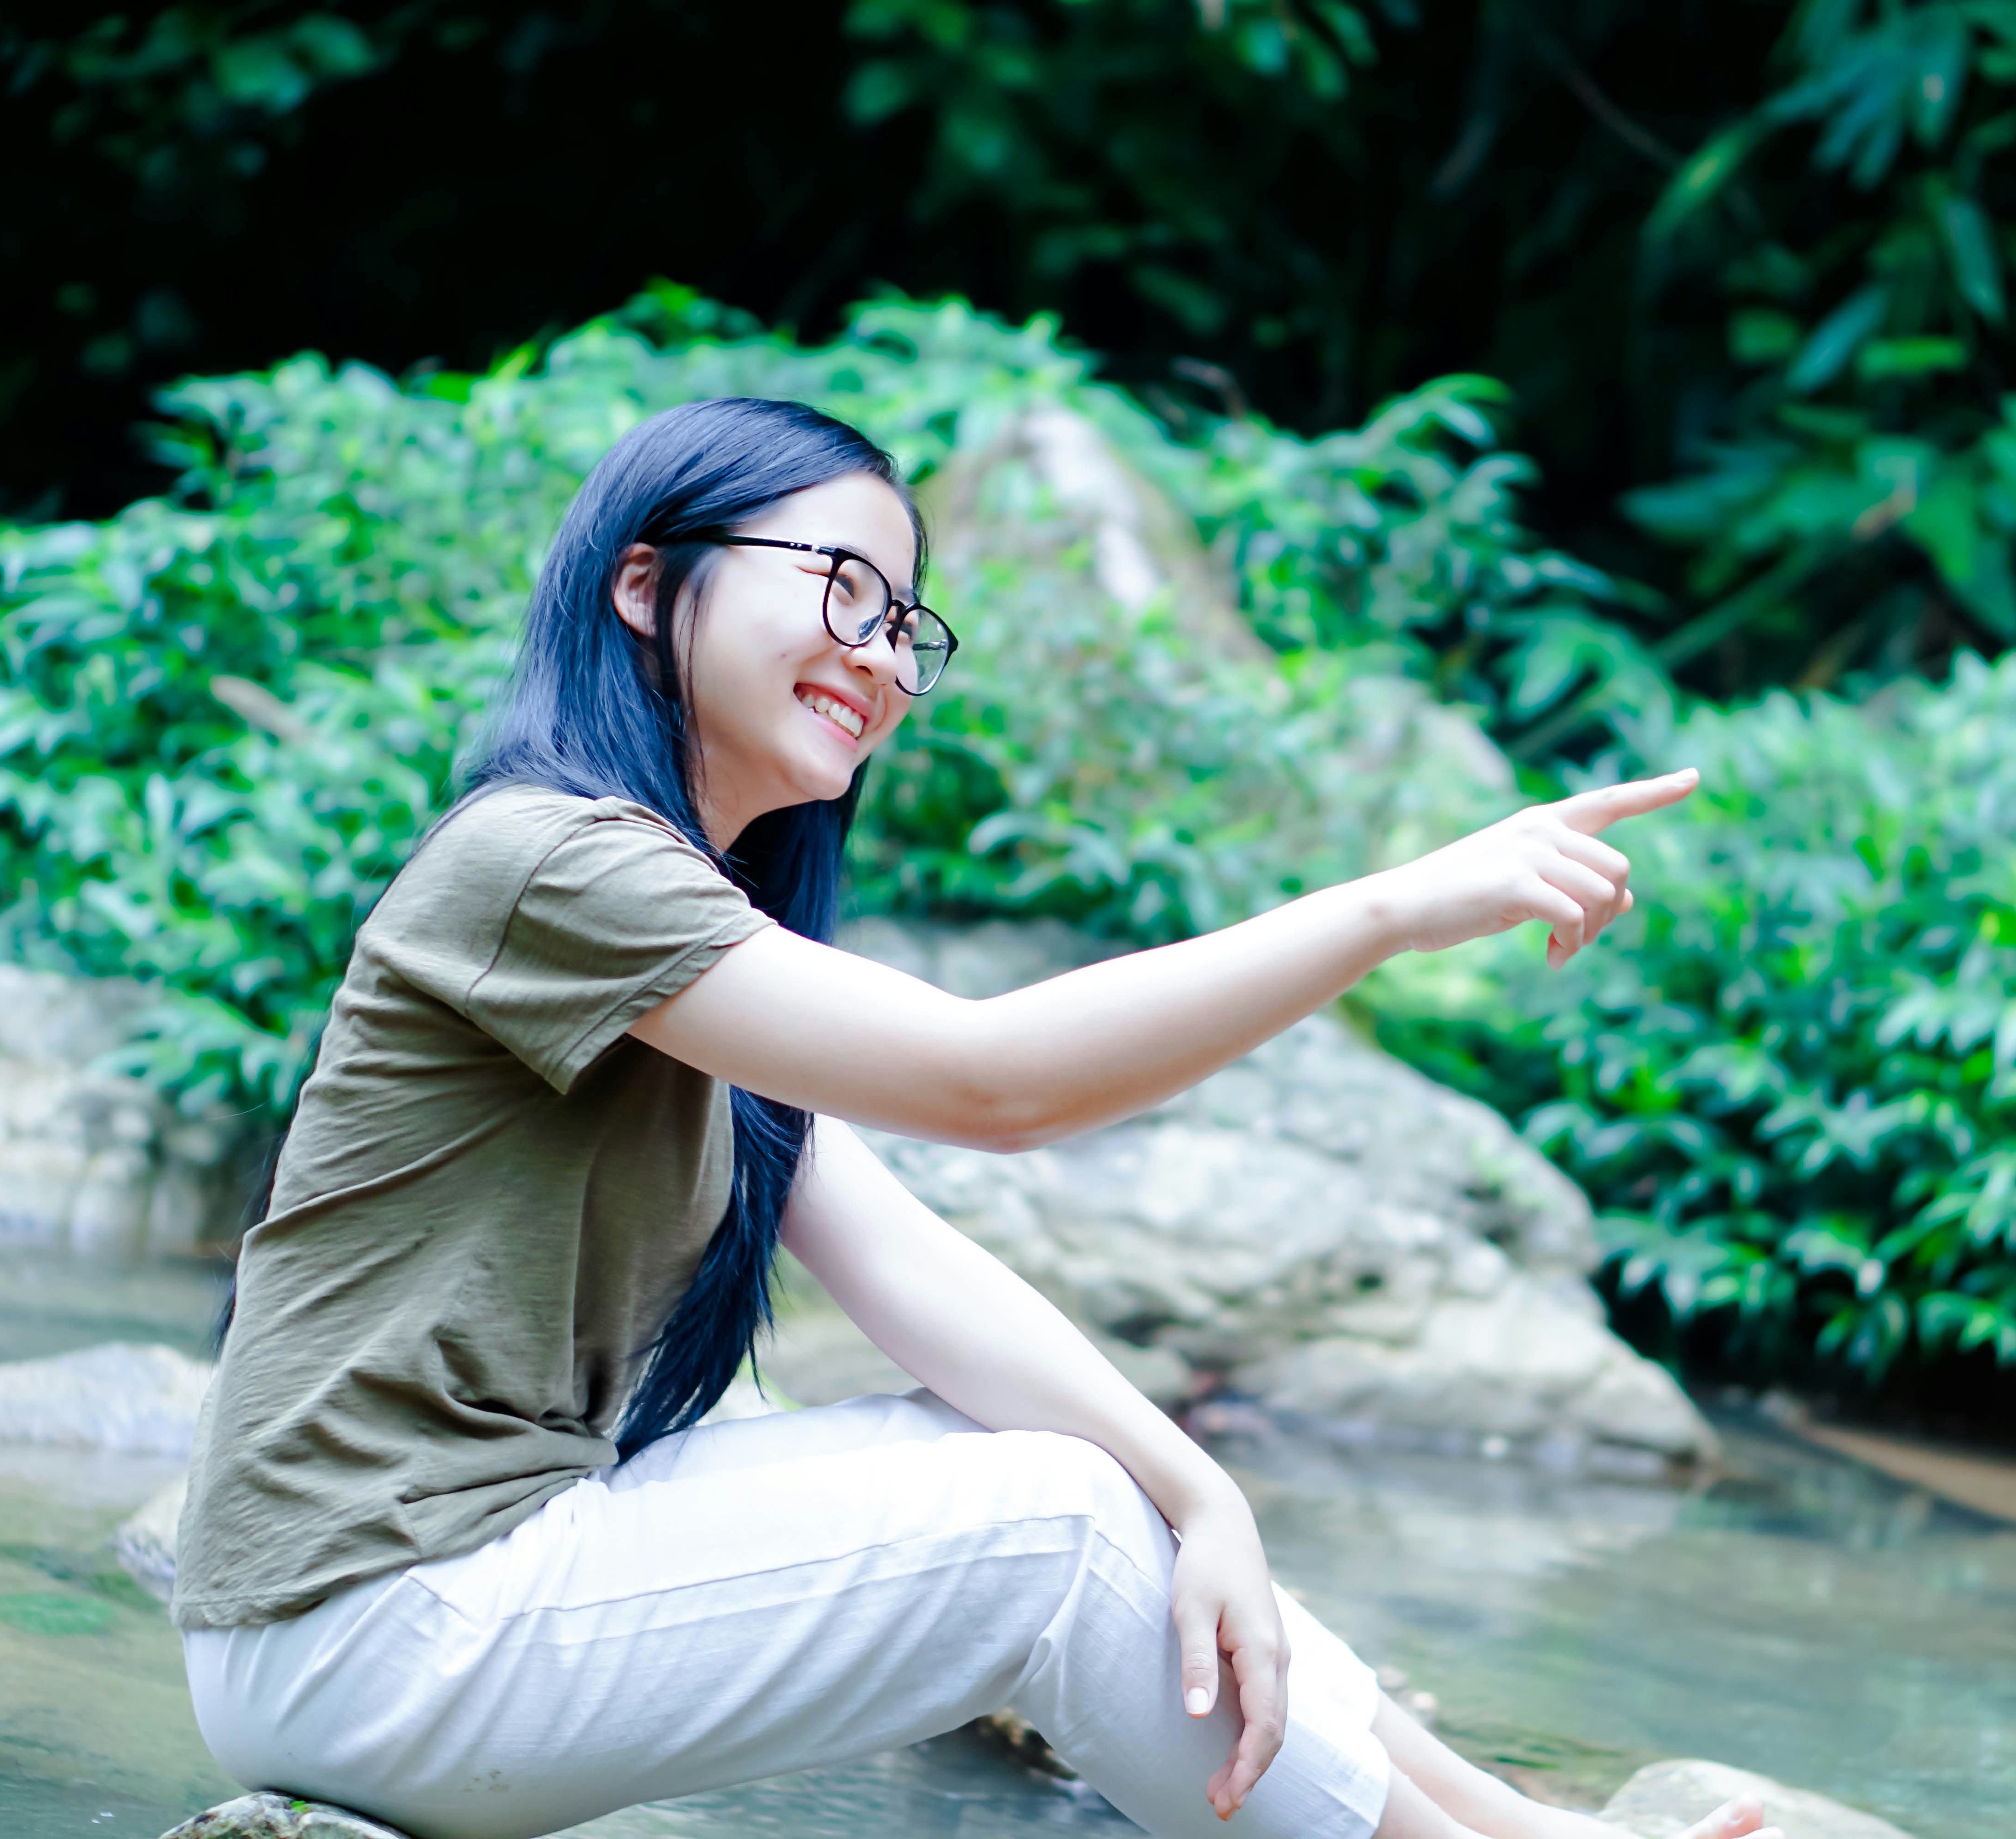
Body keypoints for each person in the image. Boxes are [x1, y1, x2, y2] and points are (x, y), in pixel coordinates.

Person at [172, 397, 1771, 1839]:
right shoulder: (545, 863)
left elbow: (925, 1279)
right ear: (647, 585)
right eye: (837, 591)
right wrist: (1386, 910)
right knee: (1054, 1528)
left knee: (1064, 1468)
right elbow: (997, 1082)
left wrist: (1202, 1493)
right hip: (360, 1625)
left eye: (904, 622)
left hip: (446, 1593)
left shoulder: (691, 941)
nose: (877, 655)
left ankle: (1527, 1832)